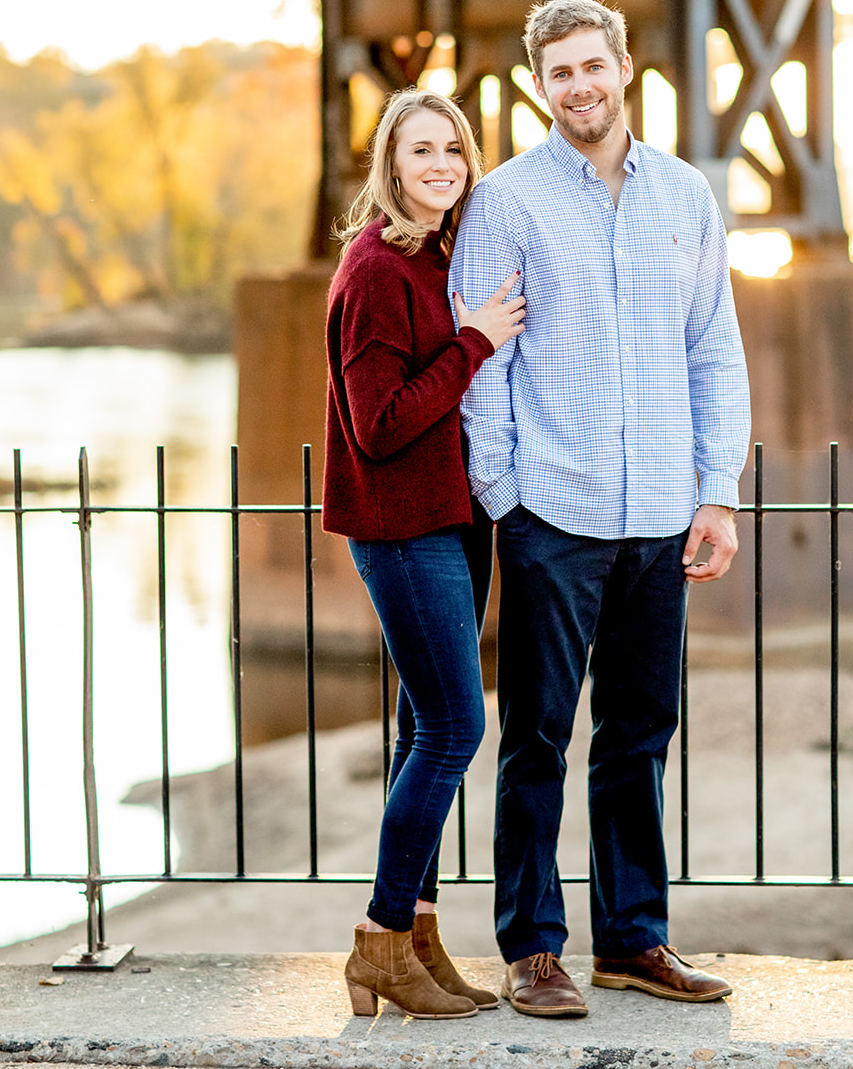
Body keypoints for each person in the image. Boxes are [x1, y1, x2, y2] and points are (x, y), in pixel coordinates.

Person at [449, 0, 751, 1018]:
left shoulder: (684, 194)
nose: (579, 85)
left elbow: (711, 345)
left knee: (638, 732)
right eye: (559, 72)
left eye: (592, 64)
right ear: (540, 85)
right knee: (535, 734)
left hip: (662, 508)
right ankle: (533, 948)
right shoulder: (506, 200)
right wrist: (504, 493)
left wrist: (716, 490)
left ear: (624, 65)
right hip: (555, 512)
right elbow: (483, 360)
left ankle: (631, 940)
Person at [322, 87, 525, 1019]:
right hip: (402, 528)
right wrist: (474, 343)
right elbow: (376, 424)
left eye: (454, 149)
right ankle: (379, 939)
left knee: (423, 730)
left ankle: (419, 934)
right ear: (390, 165)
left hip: (450, 519)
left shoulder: (435, 255)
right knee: (454, 730)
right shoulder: (374, 268)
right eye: (420, 151)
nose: (441, 164)